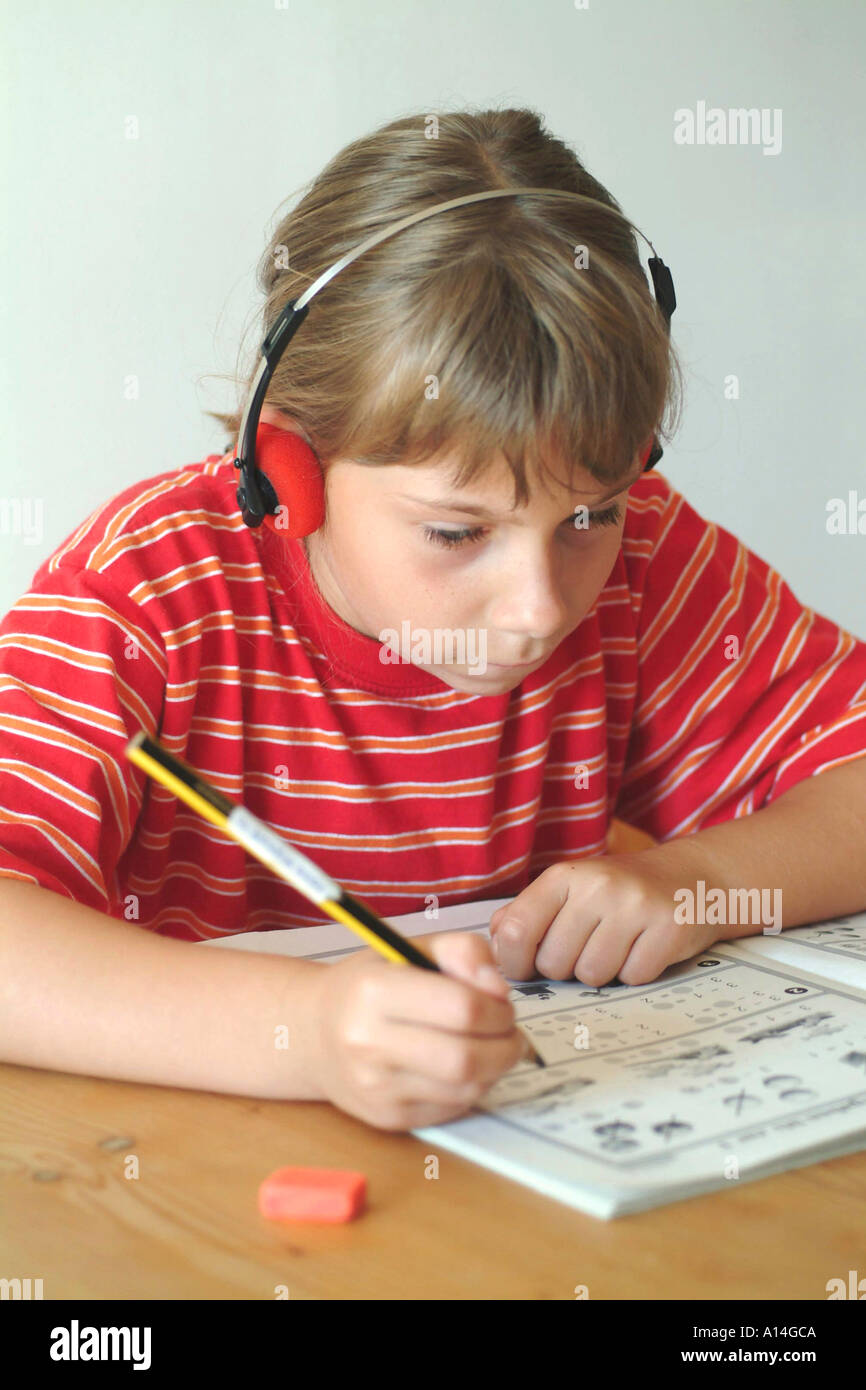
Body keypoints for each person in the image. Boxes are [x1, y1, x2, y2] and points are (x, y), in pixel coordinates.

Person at [1, 108, 864, 1132]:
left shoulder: (642, 557)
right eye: (457, 532)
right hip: (191, 1165)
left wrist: (701, 880)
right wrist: (308, 1031)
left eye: (587, 516)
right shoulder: (146, 593)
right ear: (291, 472)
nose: (539, 606)